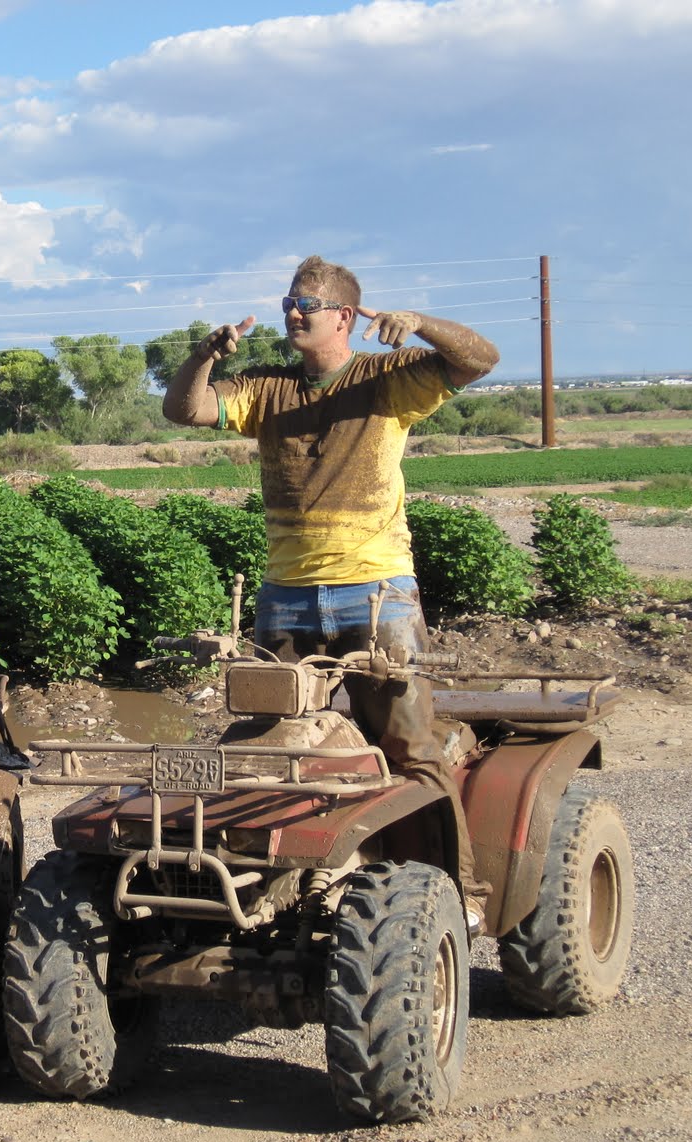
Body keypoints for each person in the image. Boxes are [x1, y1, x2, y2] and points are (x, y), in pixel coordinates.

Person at [163, 255, 499, 930]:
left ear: (344, 316)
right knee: (265, 743)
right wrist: (204, 353)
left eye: (306, 304)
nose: (293, 312)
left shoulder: (388, 378)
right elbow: (185, 408)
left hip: (374, 593)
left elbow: (481, 358)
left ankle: (457, 893)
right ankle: (267, 892)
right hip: (285, 596)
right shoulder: (265, 388)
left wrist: (422, 323)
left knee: (408, 748)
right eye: (289, 301)